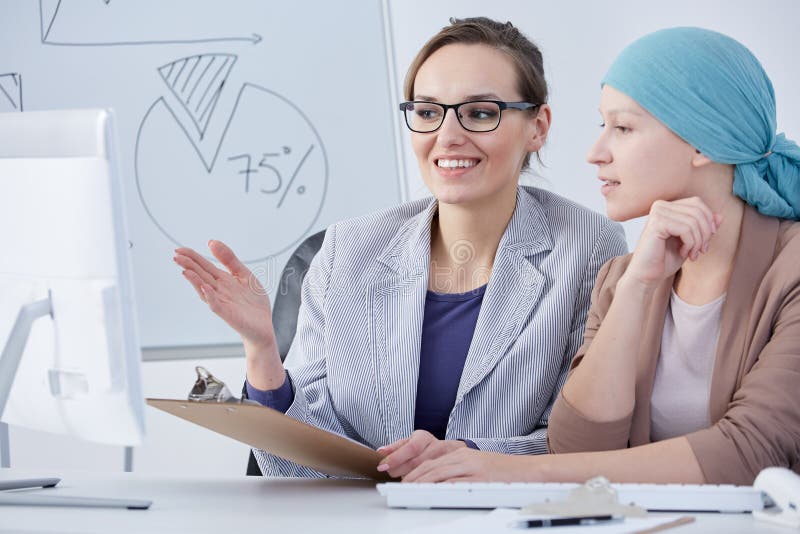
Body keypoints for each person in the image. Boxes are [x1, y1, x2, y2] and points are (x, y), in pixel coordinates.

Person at [174, 17, 627, 478]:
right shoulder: (347, 249)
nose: (447, 136)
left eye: (481, 112)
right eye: (428, 112)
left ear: (538, 126)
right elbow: (299, 472)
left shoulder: (589, 248)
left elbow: (578, 444)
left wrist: (464, 459)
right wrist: (262, 350)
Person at [399, 27, 800, 485]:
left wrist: (507, 470)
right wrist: (636, 289)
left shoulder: (789, 269)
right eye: (602, 126)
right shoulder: (621, 275)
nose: (595, 153)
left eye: (623, 128)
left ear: (702, 143)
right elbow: (579, 446)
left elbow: (752, 453)